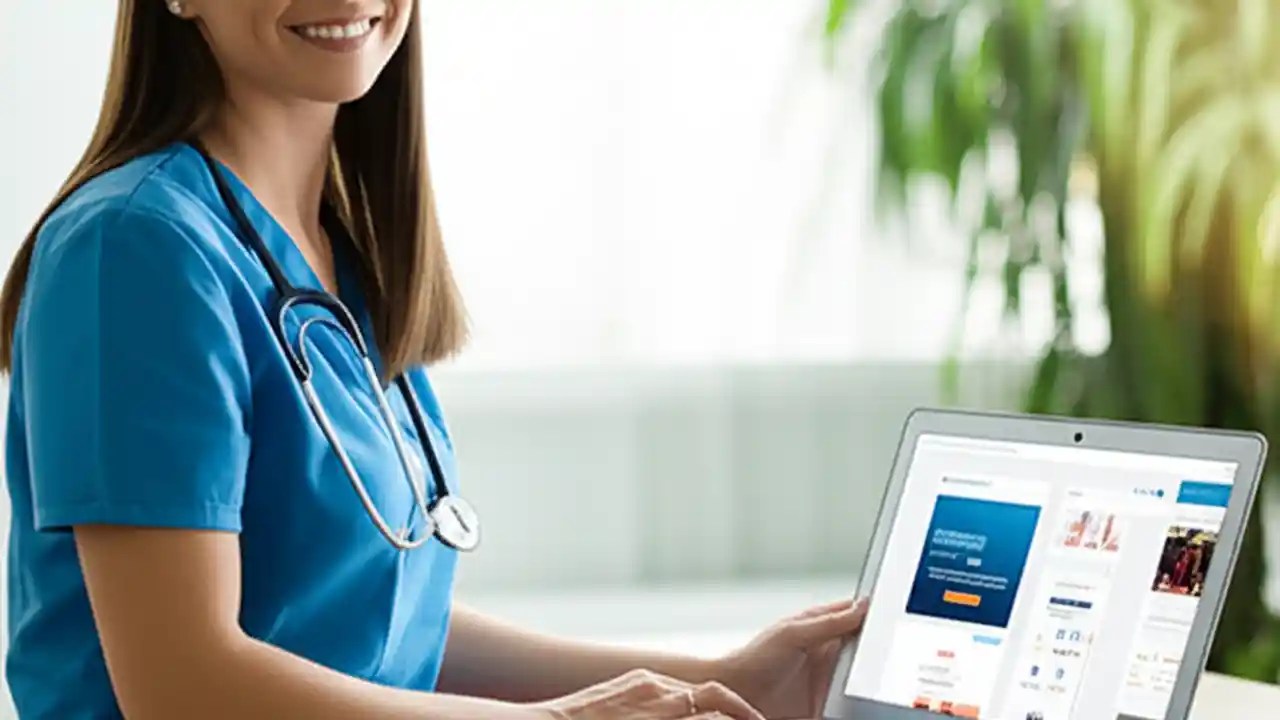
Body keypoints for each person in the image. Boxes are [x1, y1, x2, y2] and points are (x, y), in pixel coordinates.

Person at [2, 2, 872, 719]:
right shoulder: (133, 249)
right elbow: (185, 685)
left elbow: (385, 636)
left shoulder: (338, 258)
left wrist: (716, 677)